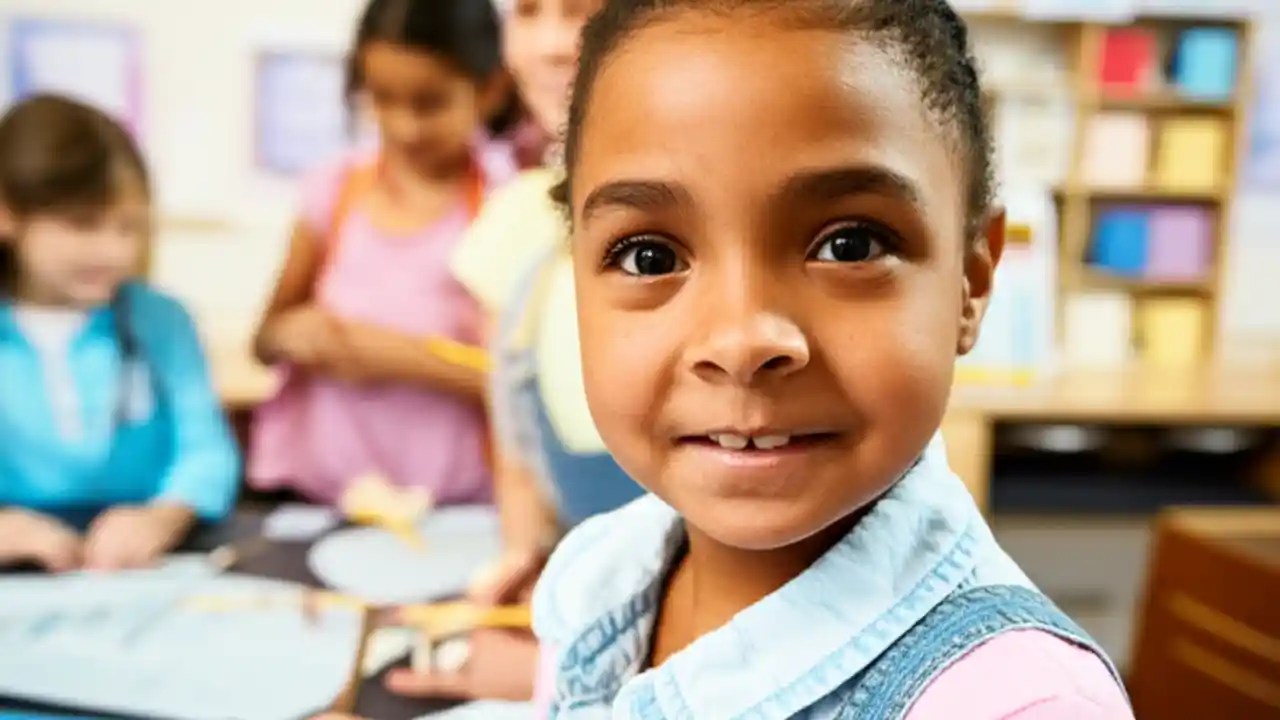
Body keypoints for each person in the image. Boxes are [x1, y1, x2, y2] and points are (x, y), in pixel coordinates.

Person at [531, 0, 1135, 717]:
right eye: (649, 256)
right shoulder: (598, 577)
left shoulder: (1015, 704)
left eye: (850, 245)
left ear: (970, 285)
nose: (742, 341)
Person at [249, 0, 517, 506]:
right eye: (382, 99)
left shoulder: (508, 205)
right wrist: (294, 333)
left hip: (459, 511)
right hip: (325, 500)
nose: (404, 127)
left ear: (490, 90)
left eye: (430, 103)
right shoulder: (333, 192)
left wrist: (396, 358)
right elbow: (264, 339)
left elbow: (524, 387)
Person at [0, 95, 239, 572]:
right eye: (82, 224)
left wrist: (163, 516)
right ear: (7, 215)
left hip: (143, 563)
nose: (113, 250)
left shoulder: (162, 321)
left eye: (129, 227)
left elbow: (207, 450)